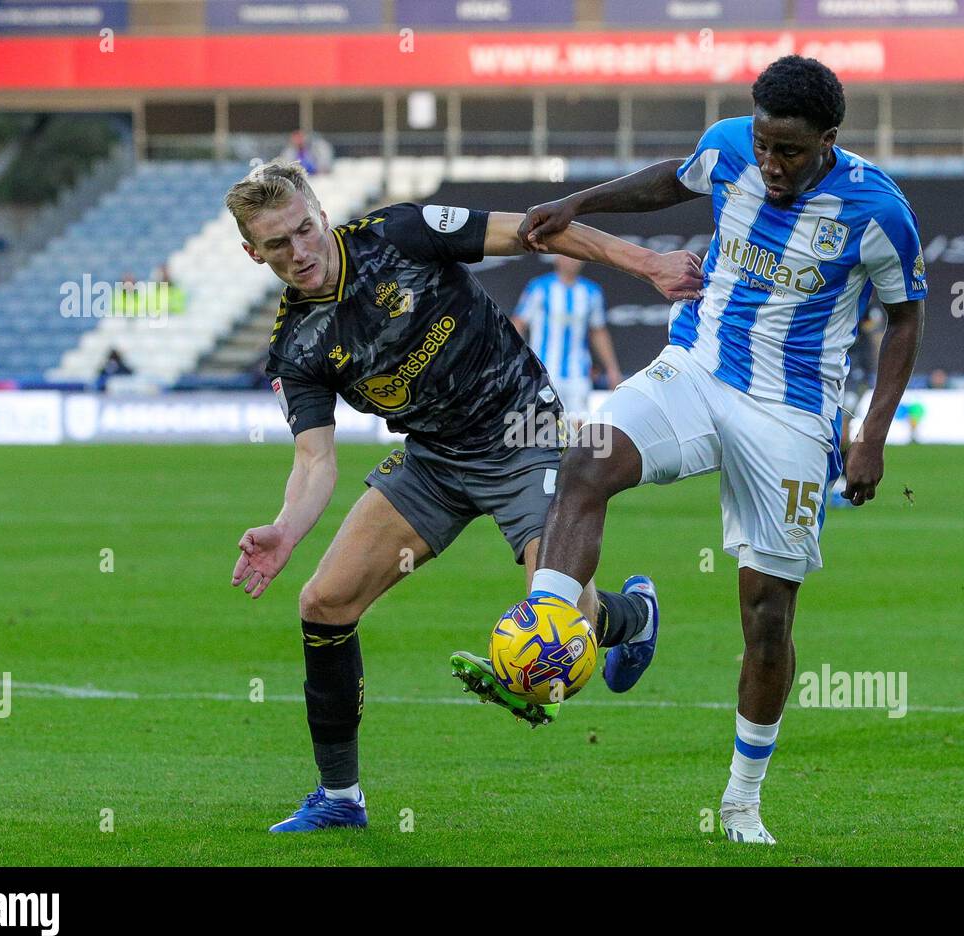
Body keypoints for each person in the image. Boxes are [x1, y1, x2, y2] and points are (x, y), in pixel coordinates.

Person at [473, 55, 926, 846]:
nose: (771, 163)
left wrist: (871, 435)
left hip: (793, 414)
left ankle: (742, 800)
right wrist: (581, 199)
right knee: (585, 463)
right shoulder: (731, 147)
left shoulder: (877, 210)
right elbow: (669, 180)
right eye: (763, 144)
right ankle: (547, 641)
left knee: (766, 618)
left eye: (790, 150)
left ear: (829, 140)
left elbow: (905, 319)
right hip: (697, 366)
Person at [223, 161, 701, 832]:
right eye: (277, 245)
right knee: (323, 603)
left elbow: (538, 233)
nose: (298, 252)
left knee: (559, 625)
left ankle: (629, 617)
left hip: (521, 430)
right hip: (434, 462)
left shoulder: (400, 233)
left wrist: (645, 264)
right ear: (254, 251)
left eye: (304, 229)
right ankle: (339, 798)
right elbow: (314, 461)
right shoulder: (297, 346)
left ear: (321, 212)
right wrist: (284, 530)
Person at [512, 255, 622, 427]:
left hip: (578, 372)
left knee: (578, 426)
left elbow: (598, 331)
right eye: (566, 256)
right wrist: (516, 361)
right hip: (543, 370)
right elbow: (519, 323)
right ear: (556, 258)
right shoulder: (539, 287)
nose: (571, 261)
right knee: (541, 424)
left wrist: (612, 369)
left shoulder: (591, 292)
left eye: (575, 257)